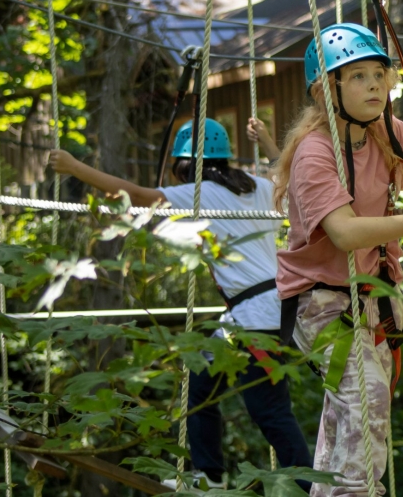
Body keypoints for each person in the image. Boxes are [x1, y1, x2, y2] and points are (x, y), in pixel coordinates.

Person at [48, 117, 313, 492]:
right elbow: (288, 177)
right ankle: (209, 476)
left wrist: (75, 168)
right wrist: (269, 142)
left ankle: (304, 485)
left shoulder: (199, 193)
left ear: (185, 164)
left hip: (255, 315)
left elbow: (136, 196)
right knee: (202, 384)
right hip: (265, 310)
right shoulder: (257, 186)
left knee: (268, 408)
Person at [274, 23, 403, 496]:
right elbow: (343, 232)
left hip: (370, 302)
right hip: (321, 303)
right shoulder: (314, 151)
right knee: (366, 402)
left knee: (347, 419)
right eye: (358, 77)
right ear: (327, 89)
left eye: (379, 76)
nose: (374, 86)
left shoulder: (379, 133)